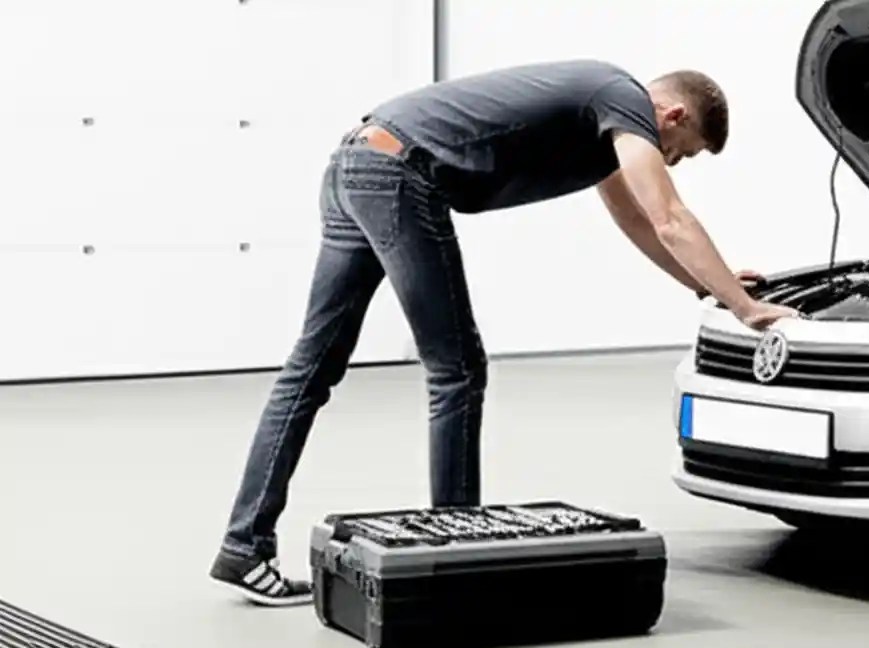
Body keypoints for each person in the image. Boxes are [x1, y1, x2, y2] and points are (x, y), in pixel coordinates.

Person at [208, 59, 798, 605]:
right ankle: (458, 554)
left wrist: (704, 286)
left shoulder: (601, 117)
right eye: (681, 152)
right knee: (458, 371)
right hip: (397, 175)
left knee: (311, 370)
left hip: (357, 161)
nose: (670, 162)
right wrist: (744, 306)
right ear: (673, 116)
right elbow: (669, 215)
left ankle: (243, 548)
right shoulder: (624, 100)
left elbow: (634, 218)